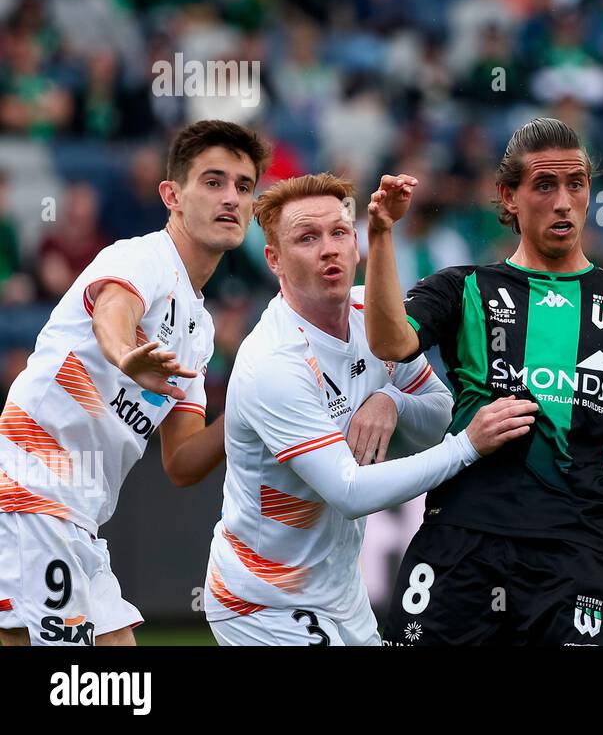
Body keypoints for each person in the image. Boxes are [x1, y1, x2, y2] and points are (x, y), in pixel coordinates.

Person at [364, 116, 603, 645]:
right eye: (544, 185)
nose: (563, 201)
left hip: (577, 555)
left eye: (575, 184)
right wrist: (380, 235)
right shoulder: (464, 288)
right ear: (508, 196)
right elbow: (389, 342)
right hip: (462, 541)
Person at [204, 173, 535, 646]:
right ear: (273, 259)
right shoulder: (273, 363)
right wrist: (467, 447)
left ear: (356, 241)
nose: (329, 249)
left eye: (339, 233)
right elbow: (350, 491)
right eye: (307, 238)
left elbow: (439, 412)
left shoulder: (371, 317)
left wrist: (392, 400)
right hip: (264, 600)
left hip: (340, 593)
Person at [0, 120, 270, 646]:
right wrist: (127, 356)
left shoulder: (199, 326)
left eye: (243, 186)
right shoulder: (140, 258)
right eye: (213, 182)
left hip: (76, 518)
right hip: (32, 493)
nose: (231, 198)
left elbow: (183, 460)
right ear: (172, 194)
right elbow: (113, 311)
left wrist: (248, 408)